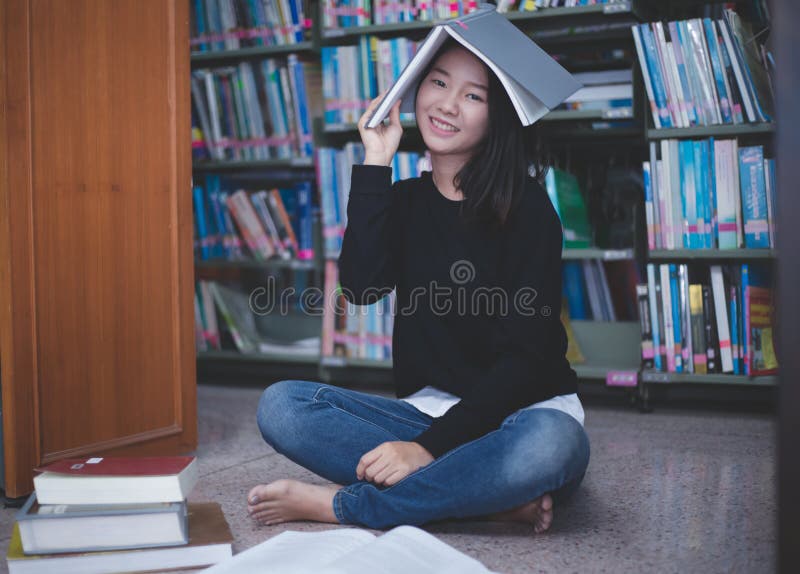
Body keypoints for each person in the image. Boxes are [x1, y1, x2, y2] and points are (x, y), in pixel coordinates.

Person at [247, 41, 590, 533]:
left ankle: (347, 506)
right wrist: (375, 161)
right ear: (415, 89)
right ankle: (483, 503)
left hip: (518, 418)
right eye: (439, 82)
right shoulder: (405, 201)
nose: (448, 104)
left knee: (555, 446)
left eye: (474, 96)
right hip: (424, 416)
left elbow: (526, 364)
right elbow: (361, 288)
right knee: (282, 405)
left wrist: (425, 451)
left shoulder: (529, 212)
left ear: (499, 117)